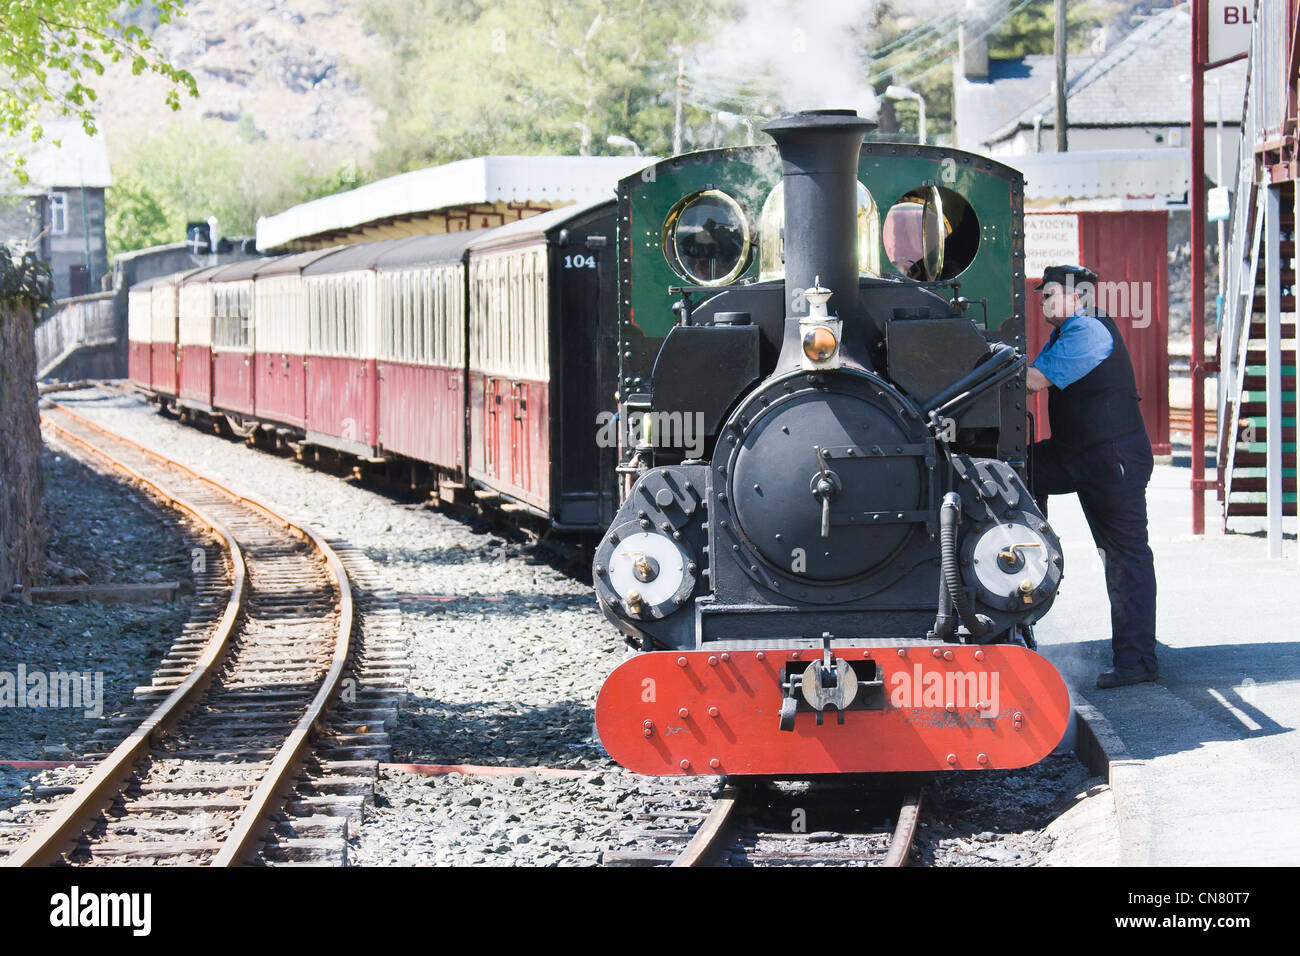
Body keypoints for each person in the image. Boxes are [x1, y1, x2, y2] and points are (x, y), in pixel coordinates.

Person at [1027, 265, 1158, 689]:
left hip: (1111, 458)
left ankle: (1136, 663)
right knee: (1022, 471)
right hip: (1079, 454)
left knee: (1124, 555)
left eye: (1049, 295)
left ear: (1077, 298)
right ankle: (1026, 562)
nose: (1042, 302)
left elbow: (1033, 381)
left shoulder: (1088, 330)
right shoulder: (1066, 332)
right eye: (1041, 295)